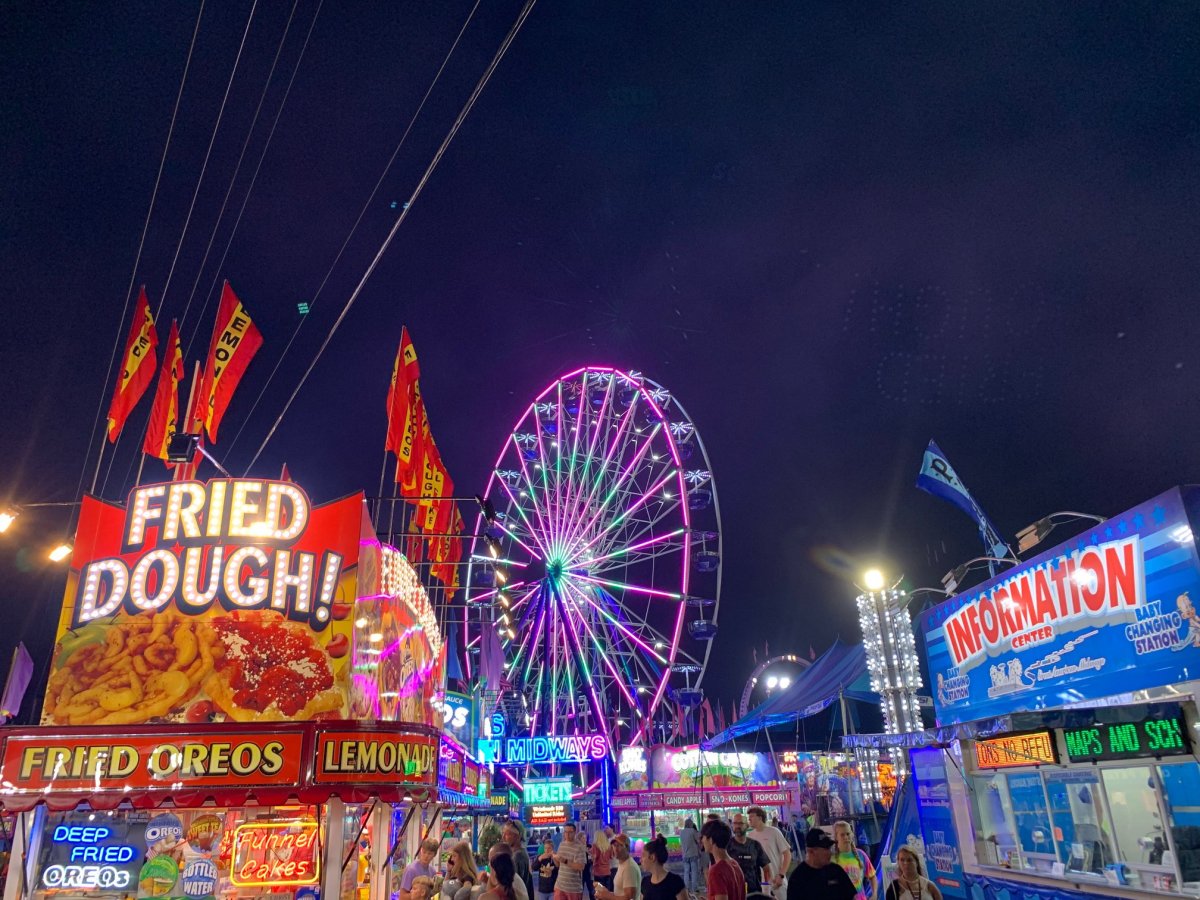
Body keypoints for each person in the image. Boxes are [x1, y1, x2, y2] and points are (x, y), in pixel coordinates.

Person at [786, 830, 855, 900]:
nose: (830, 852)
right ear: (811, 851)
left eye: (830, 848)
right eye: (826, 849)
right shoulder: (798, 878)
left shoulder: (836, 871)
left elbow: (852, 896)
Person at [747, 807, 790, 900]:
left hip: (777, 881)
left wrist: (781, 874)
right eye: (748, 816)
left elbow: (787, 854)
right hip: (759, 884)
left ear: (760, 818)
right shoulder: (750, 836)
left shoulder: (774, 832)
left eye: (752, 816)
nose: (749, 819)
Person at [701, 819, 746, 900]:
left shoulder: (716, 871)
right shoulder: (734, 864)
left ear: (711, 840)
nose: (702, 841)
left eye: (703, 837)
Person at [728, 814, 772, 893]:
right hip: (734, 892)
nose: (737, 826)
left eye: (740, 823)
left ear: (747, 825)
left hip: (754, 891)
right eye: (735, 823)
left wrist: (767, 889)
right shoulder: (727, 846)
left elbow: (766, 869)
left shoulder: (755, 845)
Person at [831, 821, 876, 900]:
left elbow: (872, 876)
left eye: (848, 834)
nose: (846, 837)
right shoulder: (832, 860)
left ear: (852, 835)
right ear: (836, 837)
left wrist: (874, 894)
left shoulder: (861, 855)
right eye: (842, 835)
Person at [639, 836, 687, 900]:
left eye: (643, 856)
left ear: (652, 857)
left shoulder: (675, 882)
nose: (640, 860)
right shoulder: (645, 882)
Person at [595, 834, 640, 900]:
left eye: (620, 845)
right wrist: (605, 893)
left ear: (627, 848)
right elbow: (619, 894)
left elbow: (629, 898)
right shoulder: (622, 864)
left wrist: (607, 896)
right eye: (614, 845)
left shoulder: (629, 867)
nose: (615, 849)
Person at [554, 823, 588, 900]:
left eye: (570, 832)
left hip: (573, 888)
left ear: (575, 832)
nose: (567, 834)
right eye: (565, 832)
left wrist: (565, 861)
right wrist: (554, 858)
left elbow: (580, 867)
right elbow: (558, 865)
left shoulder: (579, 847)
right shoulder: (562, 844)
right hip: (560, 886)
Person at [506, 820, 535, 900]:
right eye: (504, 834)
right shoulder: (520, 852)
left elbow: (513, 885)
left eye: (508, 834)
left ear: (518, 836)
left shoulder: (518, 856)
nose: (504, 837)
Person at [679, 820, 702, 894]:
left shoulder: (681, 832)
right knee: (694, 872)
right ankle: (694, 888)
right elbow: (698, 840)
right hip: (693, 854)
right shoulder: (692, 831)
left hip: (685, 854)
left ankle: (687, 888)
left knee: (686, 871)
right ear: (691, 824)